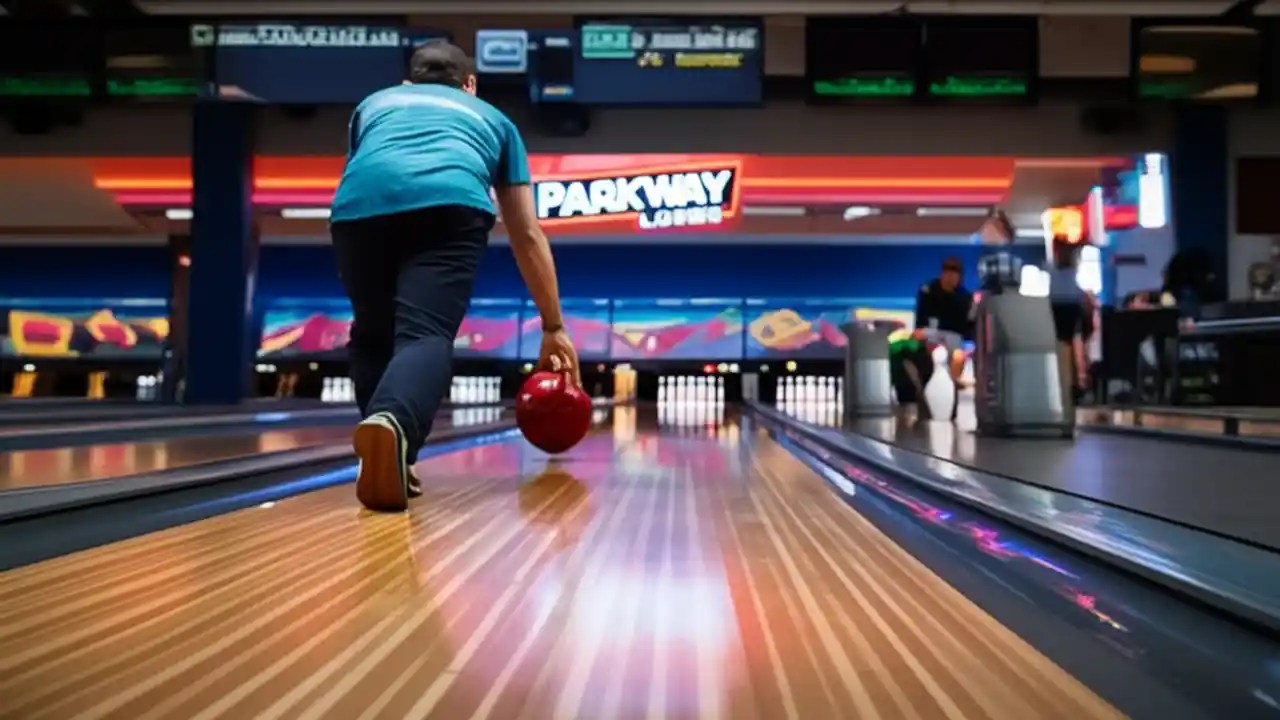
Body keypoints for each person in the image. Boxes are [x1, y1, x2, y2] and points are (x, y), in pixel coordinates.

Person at [330, 40, 578, 513]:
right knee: (425, 334)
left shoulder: (373, 104)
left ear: (408, 83)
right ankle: (393, 424)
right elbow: (526, 233)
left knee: (372, 334)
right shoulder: (494, 120)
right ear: (471, 86)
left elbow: (367, 170)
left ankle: (390, 455)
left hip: (355, 211)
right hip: (450, 206)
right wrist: (552, 325)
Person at [903, 256, 974, 419]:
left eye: (955, 274)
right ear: (942, 274)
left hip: (953, 337)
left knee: (956, 356)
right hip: (929, 334)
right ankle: (921, 391)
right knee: (920, 349)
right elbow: (920, 325)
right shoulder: (927, 290)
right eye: (948, 273)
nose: (951, 277)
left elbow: (967, 330)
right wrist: (921, 334)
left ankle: (951, 398)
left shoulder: (965, 298)